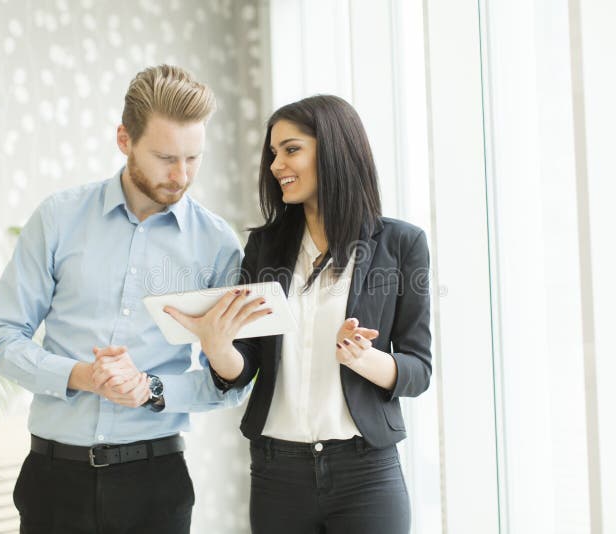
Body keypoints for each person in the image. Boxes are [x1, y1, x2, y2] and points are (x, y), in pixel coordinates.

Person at [0, 64, 251, 534]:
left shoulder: (216, 243)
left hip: (156, 486)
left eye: (193, 158)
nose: (181, 175)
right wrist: (83, 376)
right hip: (53, 482)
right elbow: (0, 338)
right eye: (166, 157)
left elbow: (232, 381)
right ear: (124, 139)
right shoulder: (59, 219)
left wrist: (151, 388)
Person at [165, 94, 432, 533]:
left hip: (366, 472)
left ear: (334, 149)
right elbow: (243, 366)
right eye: (273, 153)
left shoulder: (400, 245)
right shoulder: (265, 247)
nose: (275, 165)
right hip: (277, 473)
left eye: (291, 149)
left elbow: (418, 370)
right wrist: (217, 347)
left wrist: (364, 358)